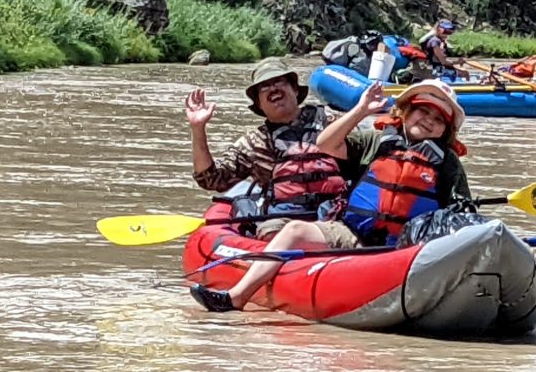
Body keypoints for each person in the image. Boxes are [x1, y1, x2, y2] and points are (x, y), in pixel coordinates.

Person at [190, 80, 471, 313]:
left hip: (407, 245)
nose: (429, 121)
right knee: (294, 230)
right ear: (405, 113)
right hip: (352, 233)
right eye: (423, 112)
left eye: (438, 120)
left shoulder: (446, 163)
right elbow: (326, 144)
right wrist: (361, 110)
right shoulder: (375, 142)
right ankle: (236, 297)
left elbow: (462, 213)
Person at [186, 58, 380, 235]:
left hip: (336, 213)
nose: (273, 89)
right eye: (264, 87)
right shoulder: (254, 143)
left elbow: (372, 152)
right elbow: (211, 180)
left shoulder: (332, 121)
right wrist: (198, 128)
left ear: (295, 89)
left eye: (279, 82)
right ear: (259, 104)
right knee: (272, 233)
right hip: (283, 221)